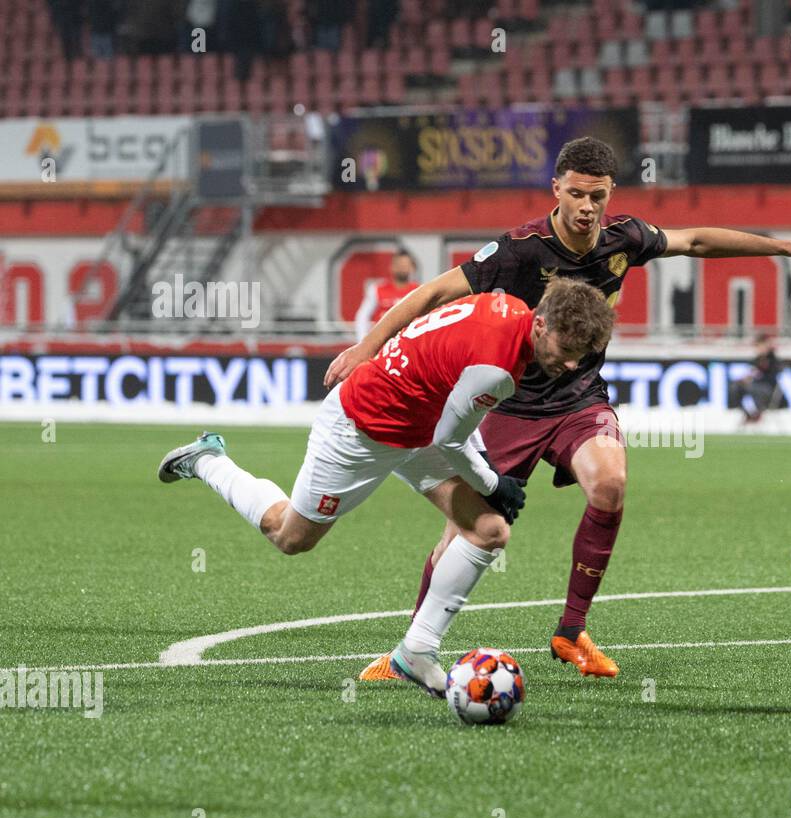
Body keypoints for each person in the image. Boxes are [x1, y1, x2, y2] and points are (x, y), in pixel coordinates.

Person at [326, 136, 791, 681]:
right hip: (510, 406)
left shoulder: (625, 238)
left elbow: (696, 241)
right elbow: (432, 293)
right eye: (576, 194)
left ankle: (571, 632)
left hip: (579, 399)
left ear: (610, 192)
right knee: (463, 529)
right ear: (557, 190)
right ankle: (412, 650)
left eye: (598, 196)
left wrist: (782, 248)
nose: (587, 207)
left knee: (610, 484)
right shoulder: (519, 249)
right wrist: (367, 347)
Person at [157, 280, 615, 697]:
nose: (571, 363)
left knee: (488, 530)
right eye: (567, 347)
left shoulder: (507, 306)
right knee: (290, 535)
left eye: (582, 354)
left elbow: (455, 409)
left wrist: (488, 481)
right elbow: (452, 439)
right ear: (540, 324)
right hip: (363, 428)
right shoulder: (498, 367)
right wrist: (494, 483)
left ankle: (416, 650)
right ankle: (208, 460)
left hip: (417, 426)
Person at [353, 250, 420, 343]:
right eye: (399, 265)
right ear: (391, 267)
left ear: (412, 268)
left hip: (408, 344)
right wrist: (363, 342)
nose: (402, 268)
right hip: (382, 344)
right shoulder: (377, 289)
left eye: (406, 265)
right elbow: (362, 316)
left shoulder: (418, 291)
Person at [734, 334, 782, 424]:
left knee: (754, 389)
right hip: (756, 386)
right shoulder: (757, 359)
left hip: (767, 388)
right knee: (736, 388)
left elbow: (768, 372)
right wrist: (744, 380)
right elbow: (752, 373)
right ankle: (750, 413)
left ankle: (756, 413)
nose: (757, 348)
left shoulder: (771, 358)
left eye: (758, 345)